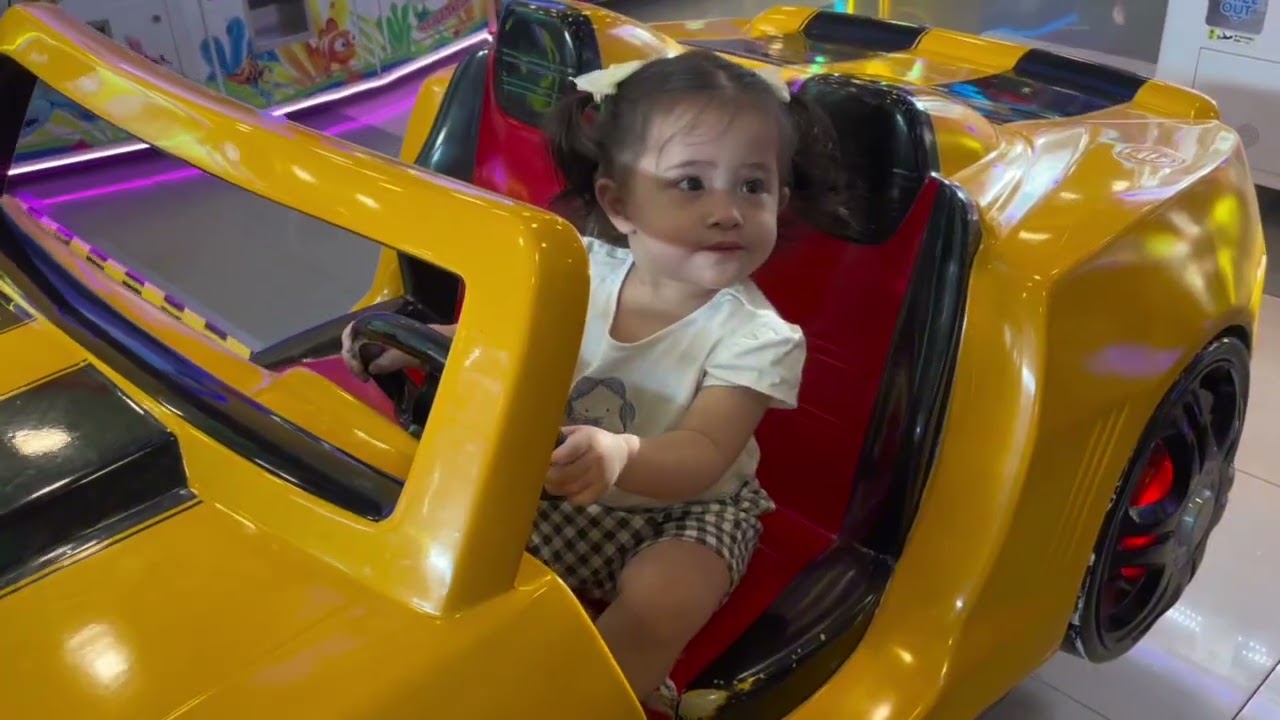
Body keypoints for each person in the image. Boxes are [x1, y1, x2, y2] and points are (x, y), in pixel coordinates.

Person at [341, 50, 856, 718]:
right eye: (692, 184)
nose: (729, 211)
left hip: (685, 509)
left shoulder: (759, 337)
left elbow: (704, 448)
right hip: (553, 476)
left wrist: (623, 455)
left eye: (752, 187)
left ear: (781, 202)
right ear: (619, 204)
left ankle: (593, 692)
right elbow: (508, 342)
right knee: (429, 504)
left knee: (668, 591)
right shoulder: (577, 267)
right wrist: (414, 344)